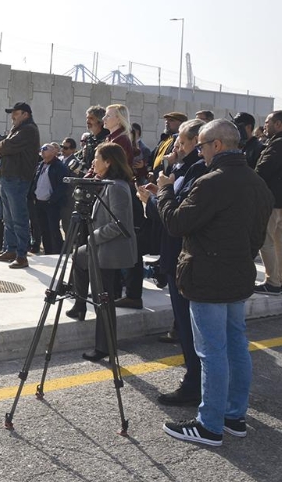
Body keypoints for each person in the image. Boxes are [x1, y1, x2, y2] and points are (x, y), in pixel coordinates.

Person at [158, 119, 273, 447]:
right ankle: (234, 416)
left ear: (217, 145)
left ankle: (209, 424)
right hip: (237, 275)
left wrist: (165, 190)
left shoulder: (212, 182)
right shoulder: (257, 182)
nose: (201, 152)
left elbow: (177, 223)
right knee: (237, 346)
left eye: (204, 146)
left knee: (212, 352)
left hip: (208, 277)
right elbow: (257, 238)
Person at [139, 119, 207, 406]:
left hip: (185, 256)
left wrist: (152, 201)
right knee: (185, 325)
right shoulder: (183, 166)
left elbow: (176, 216)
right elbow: (171, 199)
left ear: (197, 142)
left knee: (191, 328)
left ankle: (195, 383)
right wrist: (158, 192)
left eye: (181, 140)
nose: (175, 145)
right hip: (174, 254)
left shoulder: (199, 170)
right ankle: (196, 378)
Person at [66, 142, 137, 362]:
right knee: (78, 257)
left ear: (109, 162)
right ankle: (79, 305)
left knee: (103, 300)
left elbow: (120, 225)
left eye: (97, 158)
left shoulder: (116, 186)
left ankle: (105, 347)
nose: (93, 162)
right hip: (101, 247)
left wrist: (92, 237)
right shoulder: (108, 183)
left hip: (109, 251)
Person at [254, 111, 282, 295]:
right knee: (279, 240)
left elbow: (263, 169)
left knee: (267, 240)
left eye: (267, 122)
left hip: (273, 200)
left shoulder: (279, 143)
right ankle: (278, 280)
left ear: (278, 124)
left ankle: (272, 282)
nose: (265, 125)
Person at [0, 102, 40, 269]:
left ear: (25, 114)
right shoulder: (19, 129)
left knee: (19, 217)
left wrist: (0, 145)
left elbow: (7, 146)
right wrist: (2, 146)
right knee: (8, 218)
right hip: (8, 177)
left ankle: (21, 255)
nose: (12, 116)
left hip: (18, 178)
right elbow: (4, 147)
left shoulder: (28, 130)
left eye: (16, 113)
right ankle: (10, 250)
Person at [30, 143, 70, 255]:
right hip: (39, 202)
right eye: (41, 149)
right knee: (43, 229)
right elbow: (35, 181)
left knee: (53, 229)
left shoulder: (60, 166)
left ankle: (57, 252)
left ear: (53, 152)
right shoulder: (40, 165)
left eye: (45, 149)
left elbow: (62, 186)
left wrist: (52, 199)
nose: (42, 151)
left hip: (52, 204)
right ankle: (47, 252)